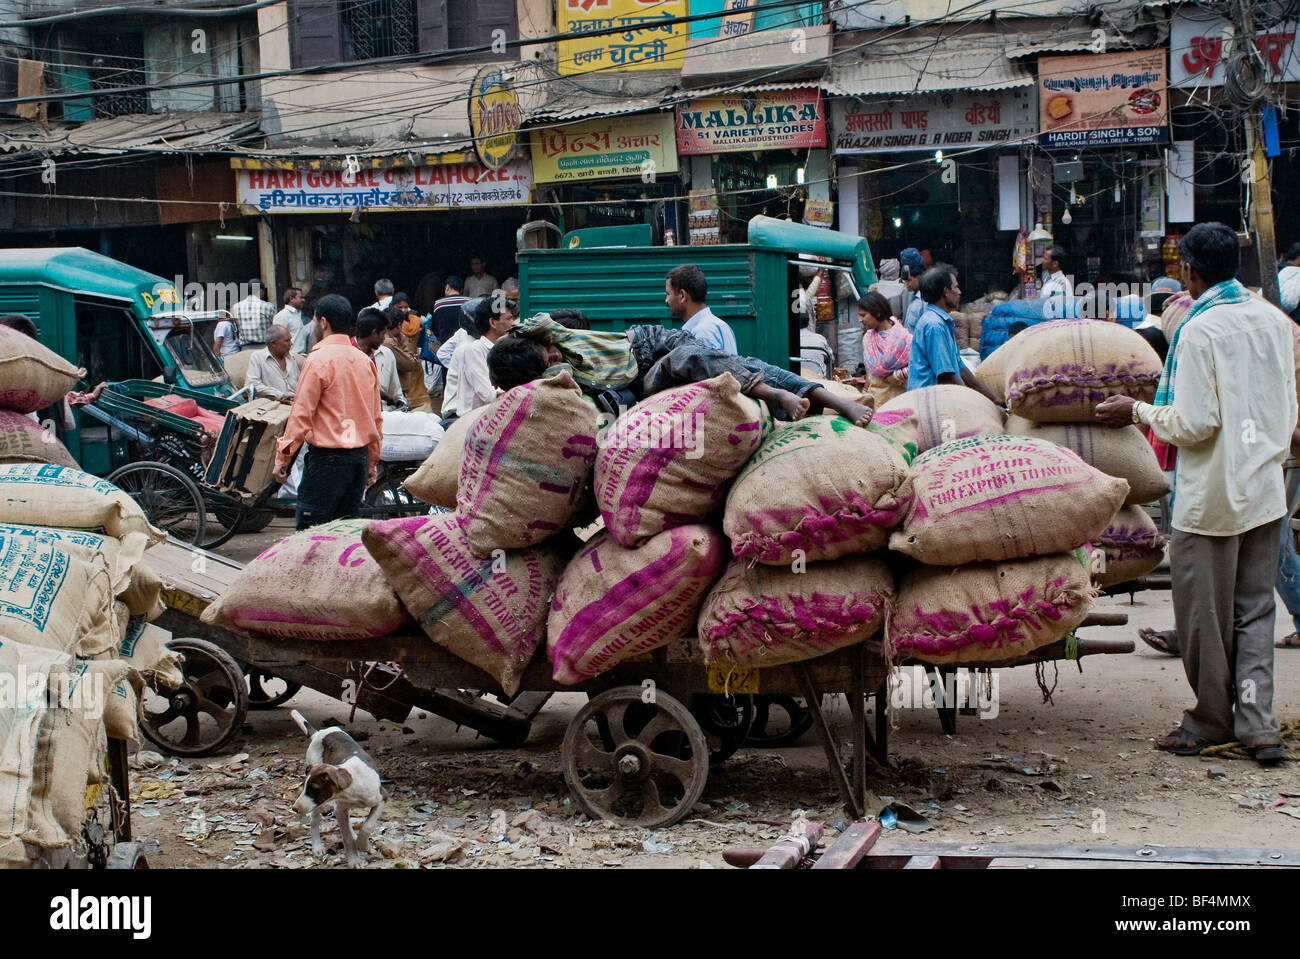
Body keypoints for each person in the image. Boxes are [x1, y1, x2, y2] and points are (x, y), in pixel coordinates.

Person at [1095, 221, 1296, 765]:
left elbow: (1193, 424)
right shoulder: (1273, 321)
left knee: (1203, 615)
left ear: (1188, 269)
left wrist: (1135, 411)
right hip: (1264, 489)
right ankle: (1258, 724)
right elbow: (1287, 402)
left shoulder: (1198, 330)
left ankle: (1210, 720)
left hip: (1210, 496)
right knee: (1255, 612)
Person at [503, 311, 874, 427]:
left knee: (744, 364)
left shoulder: (556, 334)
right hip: (643, 382)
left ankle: (836, 402)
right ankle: (772, 394)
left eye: (549, 352)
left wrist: (523, 336)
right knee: (688, 361)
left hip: (645, 341)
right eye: (547, 363)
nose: (555, 357)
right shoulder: (551, 385)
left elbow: (541, 324)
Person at [273, 295, 383, 530]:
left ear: (323, 322)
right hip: (358, 460)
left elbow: (301, 415)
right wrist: (371, 463)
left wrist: (283, 457)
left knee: (312, 533)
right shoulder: (364, 361)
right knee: (344, 534)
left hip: (327, 461)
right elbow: (376, 418)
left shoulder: (318, 360)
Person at [907, 265, 1000, 402]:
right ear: (946, 291)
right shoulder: (934, 325)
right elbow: (946, 376)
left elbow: (961, 370)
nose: (959, 292)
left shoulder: (943, 322)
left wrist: (993, 399)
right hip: (928, 402)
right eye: (955, 287)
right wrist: (973, 401)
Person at [449, 295, 513, 418]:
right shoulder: (473, 350)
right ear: (493, 322)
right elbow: (488, 395)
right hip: (472, 421)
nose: (513, 323)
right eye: (509, 319)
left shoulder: (503, 349)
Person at [665, 264, 737, 355]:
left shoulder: (701, 334)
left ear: (682, 295)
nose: (666, 300)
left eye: (668, 293)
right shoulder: (722, 326)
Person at [385, 300, 431, 412]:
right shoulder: (390, 342)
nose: (404, 310)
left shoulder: (393, 339)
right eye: (400, 307)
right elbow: (409, 364)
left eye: (406, 307)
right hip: (403, 379)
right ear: (400, 325)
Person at [355, 309, 405, 410]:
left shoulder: (386, 354)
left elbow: (396, 391)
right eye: (383, 334)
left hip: (385, 419)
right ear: (374, 333)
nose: (384, 339)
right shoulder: (347, 355)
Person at [858, 292, 911, 385]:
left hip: (900, 396)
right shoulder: (868, 338)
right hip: (875, 396)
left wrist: (898, 375)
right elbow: (869, 374)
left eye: (863, 315)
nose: (860, 320)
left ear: (878, 313)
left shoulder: (904, 339)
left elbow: (919, 366)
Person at [244, 324, 300, 402]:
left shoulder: (291, 357)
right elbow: (252, 385)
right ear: (273, 343)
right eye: (287, 341)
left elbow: (300, 382)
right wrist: (279, 395)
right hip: (273, 405)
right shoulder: (257, 357)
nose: (291, 343)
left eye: (290, 340)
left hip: (295, 403)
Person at [232, 280, 274, 347]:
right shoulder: (268, 306)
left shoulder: (236, 307)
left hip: (245, 348)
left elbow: (235, 327)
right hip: (265, 348)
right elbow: (275, 327)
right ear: (260, 290)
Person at [899, 248, 927, 332]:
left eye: (909, 280)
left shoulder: (925, 300)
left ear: (919, 277)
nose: (907, 284)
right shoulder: (908, 294)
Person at [1039, 245, 1074, 310]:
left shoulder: (1063, 283)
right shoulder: (1046, 277)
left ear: (1055, 264)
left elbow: (1062, 309)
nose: (1042, 260)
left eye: (1045, 259)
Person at [1278, 243, 1300, 320]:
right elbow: (1289, 303)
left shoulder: (1275, 269)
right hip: (1293, 318)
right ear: (1298, 258)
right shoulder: (1296, 273)